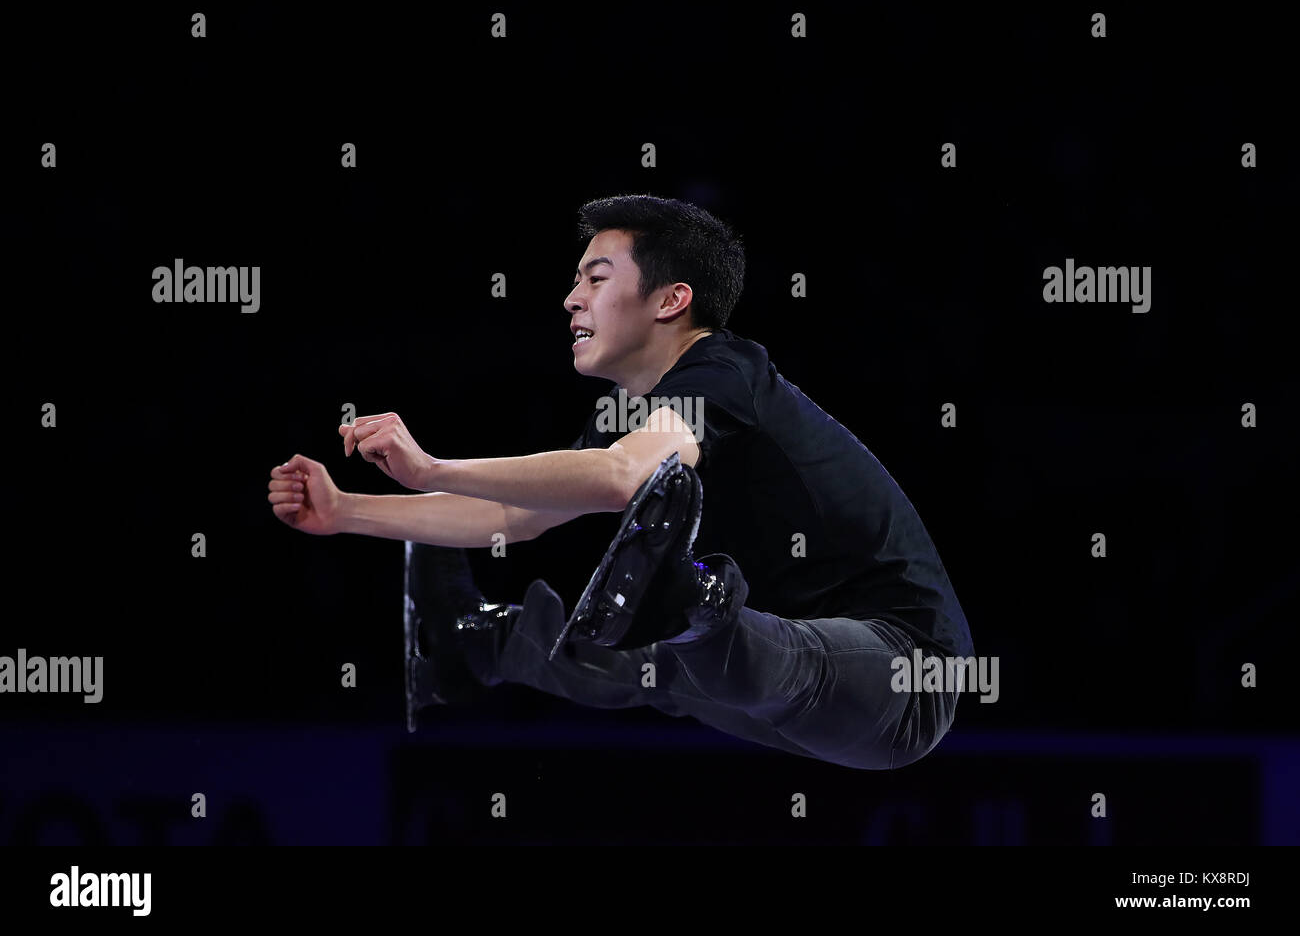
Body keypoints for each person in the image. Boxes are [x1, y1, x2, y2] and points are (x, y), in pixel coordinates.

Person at [266, 194, 973, 770]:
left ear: (669, 301)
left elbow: (625, 478)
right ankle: (478, 640)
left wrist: (429, 468)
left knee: (699, 640)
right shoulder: (631, 411)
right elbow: (512, 516)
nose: (571, 299)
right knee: (645, 662)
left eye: (595, 279)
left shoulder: (725, 371)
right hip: (778, 702)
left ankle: (697, 600)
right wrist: (345, 510)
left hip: (898, 674)